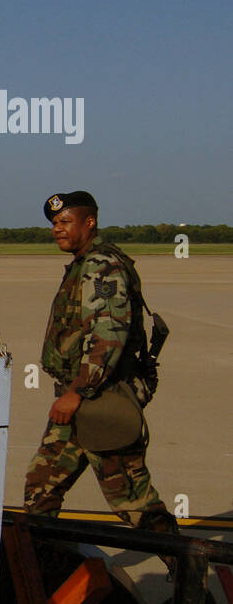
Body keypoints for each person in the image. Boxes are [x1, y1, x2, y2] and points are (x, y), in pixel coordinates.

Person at [23, 192, 179, 538]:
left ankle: (190, 572)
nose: (57, 230)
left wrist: (78, 392)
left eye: (65, 222)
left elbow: (108, 335)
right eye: (54, 224)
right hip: (76, 403)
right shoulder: (85, 262)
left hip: (99, 400)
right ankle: (44, 572)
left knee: (132, 502)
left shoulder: (100, 264)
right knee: (41, 488)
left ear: (89, 222)